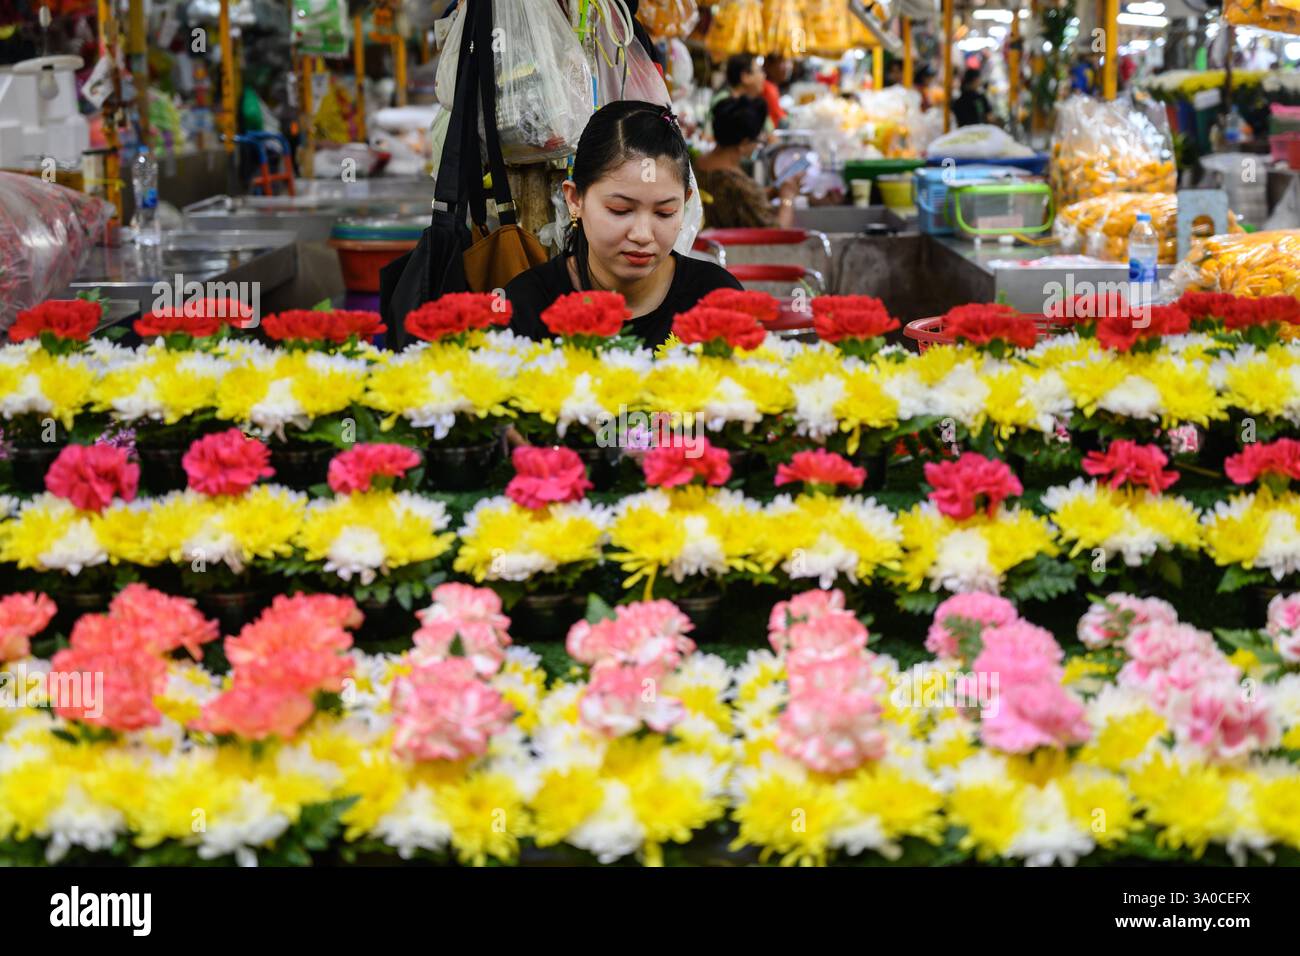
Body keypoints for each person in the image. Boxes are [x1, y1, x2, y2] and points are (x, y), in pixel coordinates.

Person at [505, 100, 742, 348]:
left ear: (685, 203)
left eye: (665, 212)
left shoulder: (716, 298)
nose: (642, 235)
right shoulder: (526, 306)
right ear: (575, 200)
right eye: (620, 210)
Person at [693, 96, 804, 231]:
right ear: (744, 143)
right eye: (757, 140)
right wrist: (787, 198)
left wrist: (771, 192)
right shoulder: (738, 185)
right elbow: (776, 233)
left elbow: (735, 203)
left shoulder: (698, 165)